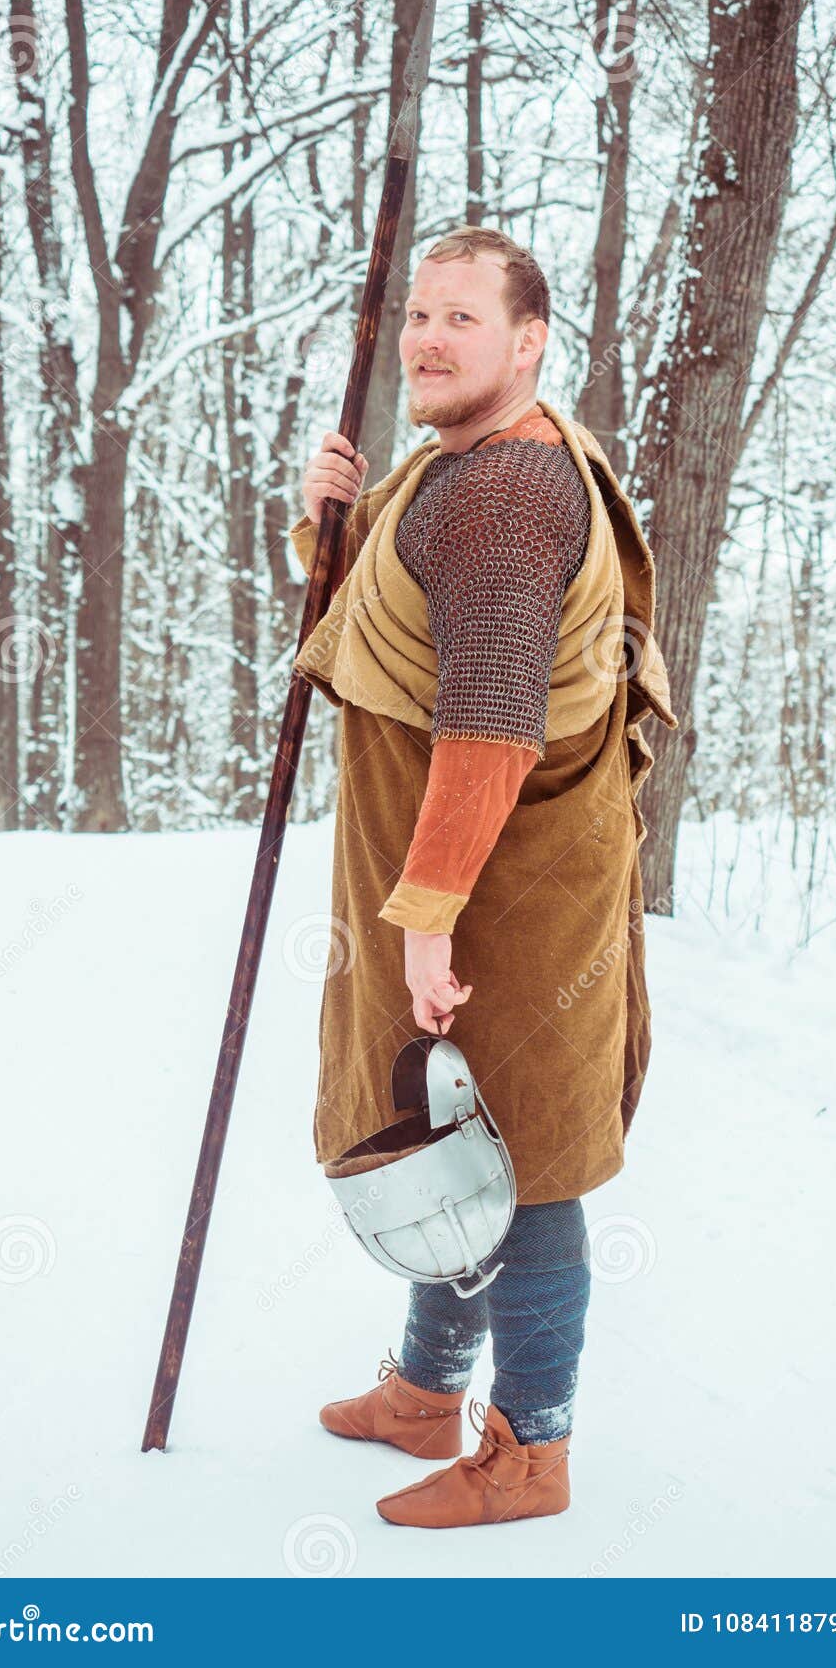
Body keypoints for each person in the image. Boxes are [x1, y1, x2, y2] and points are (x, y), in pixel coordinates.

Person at [287, 225, 678, 1528]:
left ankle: (531, 1448)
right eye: (419, 315)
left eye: (463, 319)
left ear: (530, 343)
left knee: (523, 1149)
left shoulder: (504, 495)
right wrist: (328, 516)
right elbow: (386, 623)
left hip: (513, 881)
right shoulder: (452, 468)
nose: (428, 338)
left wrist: (428, 914)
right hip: (476, 870)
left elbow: (490, 723)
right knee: (438, 1135)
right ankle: (425, 1388)